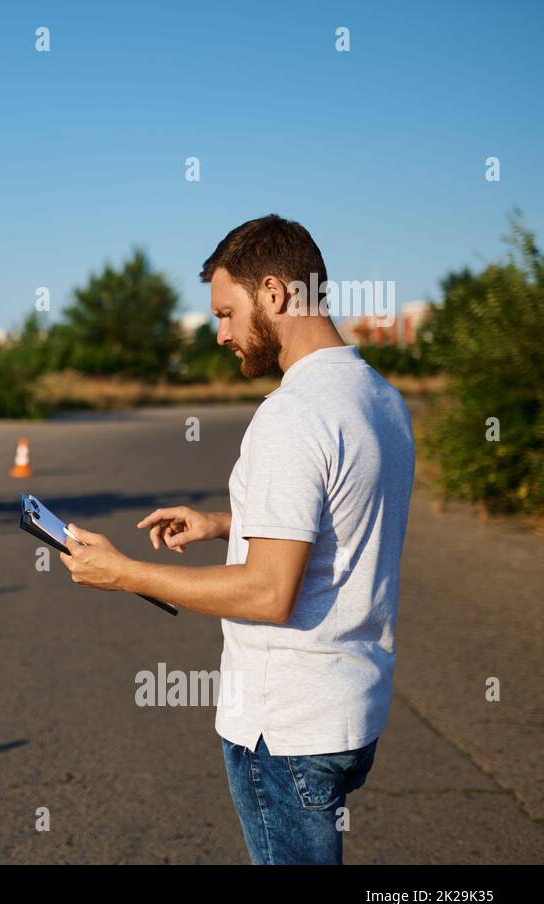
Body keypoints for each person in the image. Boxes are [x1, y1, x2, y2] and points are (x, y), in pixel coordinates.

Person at [58, 214, 415, 864]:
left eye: (226, 312)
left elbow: (269, 591)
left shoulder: (293, 414)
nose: (220, 333)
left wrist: (123, 573)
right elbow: (346, 517)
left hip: (284, 727)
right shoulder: (380, 399)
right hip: (352, 712)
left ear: (275, 293)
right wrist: (227, 525)